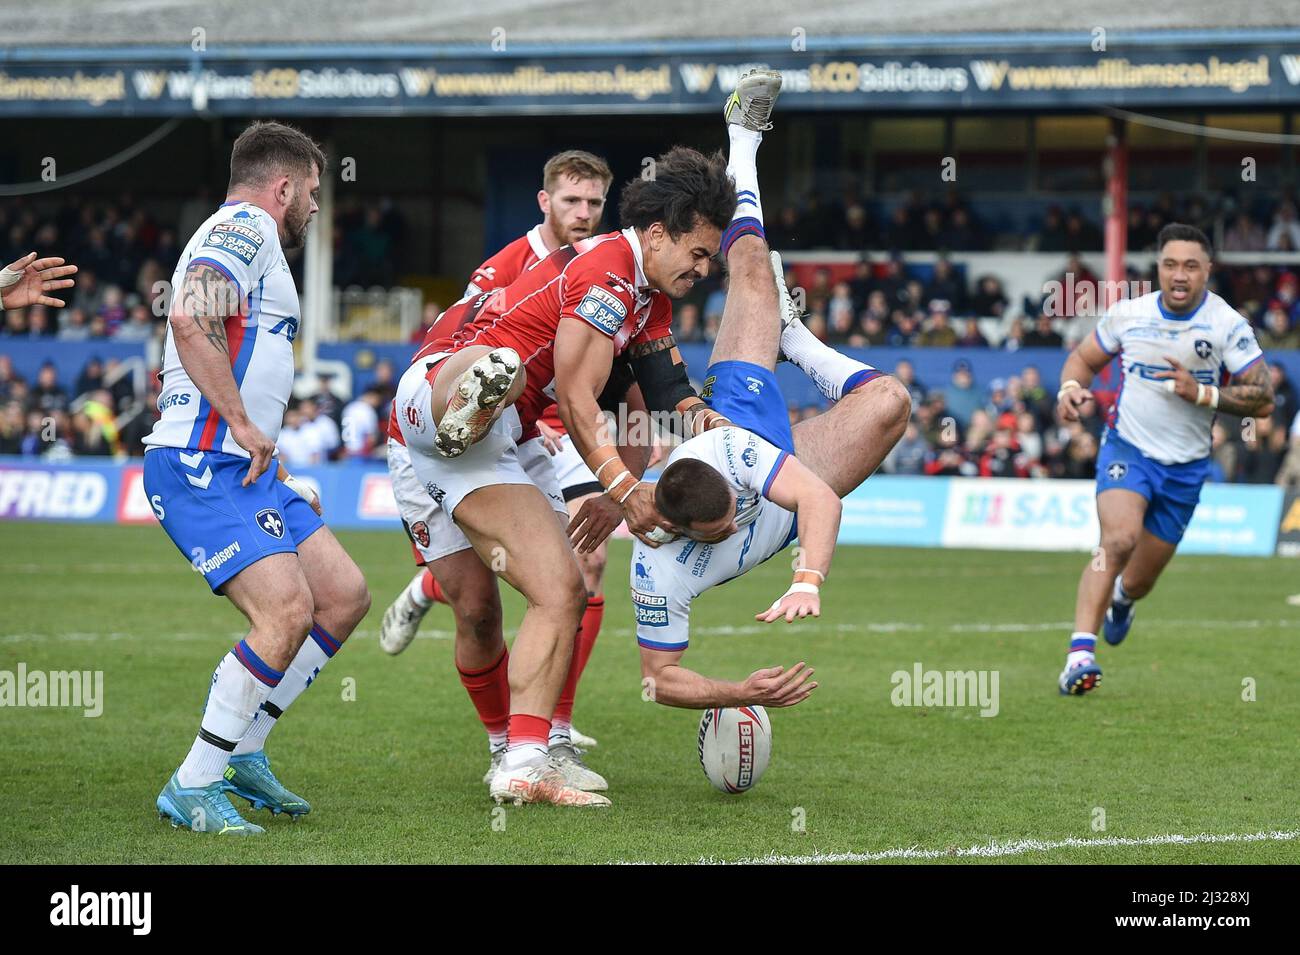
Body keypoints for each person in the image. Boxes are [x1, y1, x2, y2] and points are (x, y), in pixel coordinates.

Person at [392, 76, 766, 806]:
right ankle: (470, 389)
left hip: (492, 438)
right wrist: (624, 491)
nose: (703, 270)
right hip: (434, 403)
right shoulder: (605, 269)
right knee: (493, 372)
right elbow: (573, 392)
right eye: (696, 253)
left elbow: (670, 399)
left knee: (555, 588)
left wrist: (736, 446)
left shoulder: (648, 298)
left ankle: (525, 761)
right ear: (656, 234)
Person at [632, 90, 910, 709]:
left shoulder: (728, 451)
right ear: (678, 530)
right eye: (719, 528)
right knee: (891, 401)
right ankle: (794, 335)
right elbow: (658, 679)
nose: (733, 523)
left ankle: (743, 136)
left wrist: (808, 580)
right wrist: (737, 692)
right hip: (781, 514)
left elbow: (817, 500)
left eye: (730, 511)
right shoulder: (655, 570)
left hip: (748, 430)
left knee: (753, 266)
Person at [144, 121, 370, 834]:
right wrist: (240, 420)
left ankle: (243, 749)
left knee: (342, 595)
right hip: (202, 458)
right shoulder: (244, 225)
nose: (313, 205)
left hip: (247, 468)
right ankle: (195, 782)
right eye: (311, 191)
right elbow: (190, 315)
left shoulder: (258, 240)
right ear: (283, 185)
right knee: (284, 612)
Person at [379, 150, 623, 784]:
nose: (585, 214)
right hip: (451, 430)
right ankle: (501, 742)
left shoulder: (606, 273)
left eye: (595, 203)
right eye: (572, 201)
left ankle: (552, 738)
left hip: (534, 428)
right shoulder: (503, 269)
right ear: (544, 202)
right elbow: (464, 348)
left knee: (580, 566)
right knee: (478, 606)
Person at [1054, 223, 1273, 696]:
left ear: (1207, 271)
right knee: (1117, 540)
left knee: (1139, 580)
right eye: (1170, 264)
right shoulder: (1128, 315)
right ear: (1158, 267)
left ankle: (1123, 598)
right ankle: (1079, 656)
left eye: (1191, 266)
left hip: (1187, 469)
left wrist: (1205, 393)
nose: (1179, 275)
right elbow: (1082, 360)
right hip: (1127, 449)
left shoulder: (1226, 325)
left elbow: (1265, 397)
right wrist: (1071, 390)